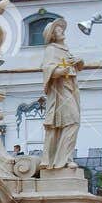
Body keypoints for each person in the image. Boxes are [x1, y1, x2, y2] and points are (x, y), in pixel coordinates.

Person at [41, 18, 81, 169]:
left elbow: (75, 67)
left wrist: (79, 62)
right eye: (57, 30)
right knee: (72, 121)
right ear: (52, 35)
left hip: (71, 87)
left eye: (61, 29)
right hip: (60, 89)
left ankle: (65, 158)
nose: (61, 31)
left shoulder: (65, 49)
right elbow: (47, 68)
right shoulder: (51, 49)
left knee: (70, 122)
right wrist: (60, 71)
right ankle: (61, 160)